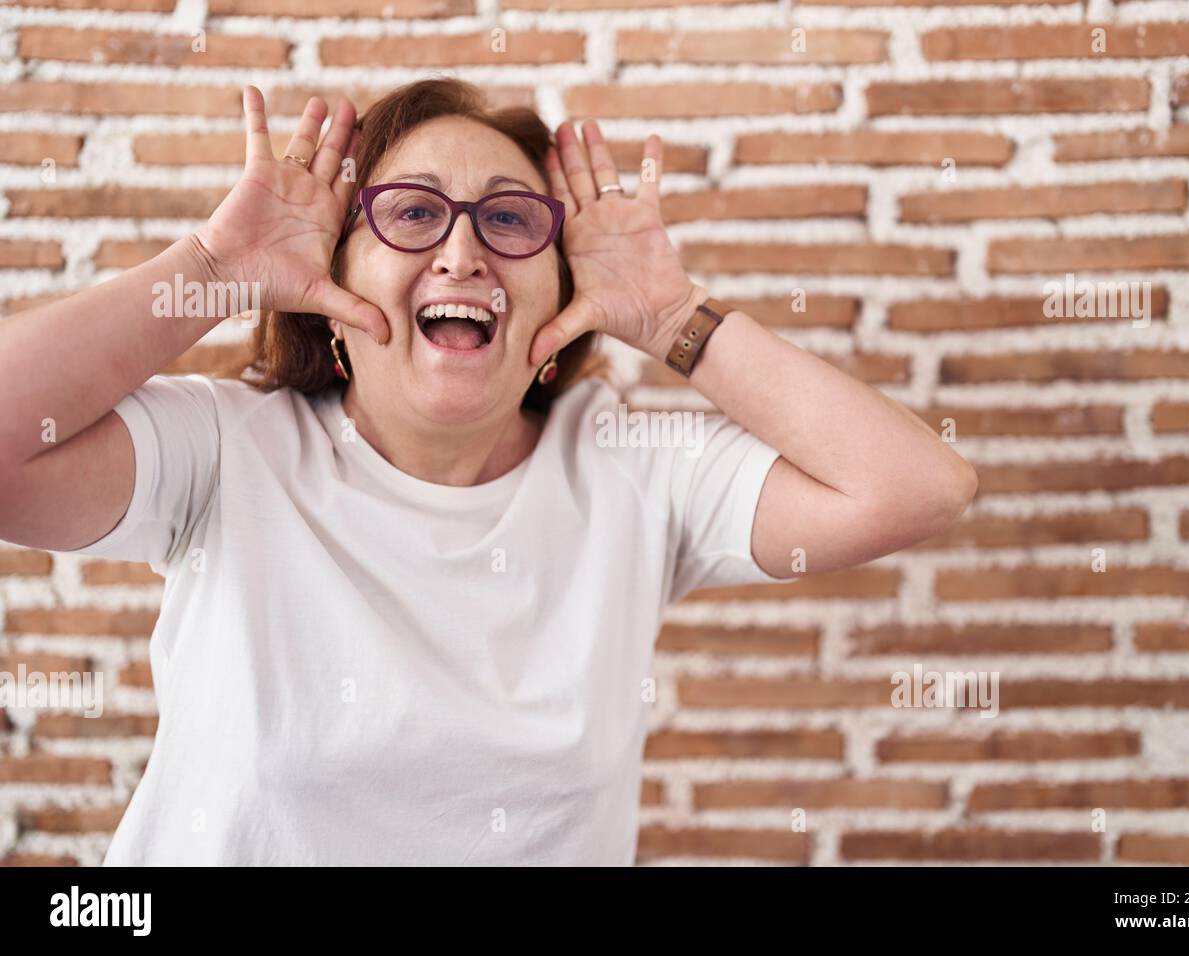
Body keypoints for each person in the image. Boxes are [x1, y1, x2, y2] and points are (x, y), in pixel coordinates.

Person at [0, 77, 978, 865]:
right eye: (413, 213)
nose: (463, 250)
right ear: (332, 286)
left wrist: (669, 316)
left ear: (561, 299)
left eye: (511, 222)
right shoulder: (222, 453)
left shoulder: (630, 469)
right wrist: (217, 267)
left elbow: (916, 485)